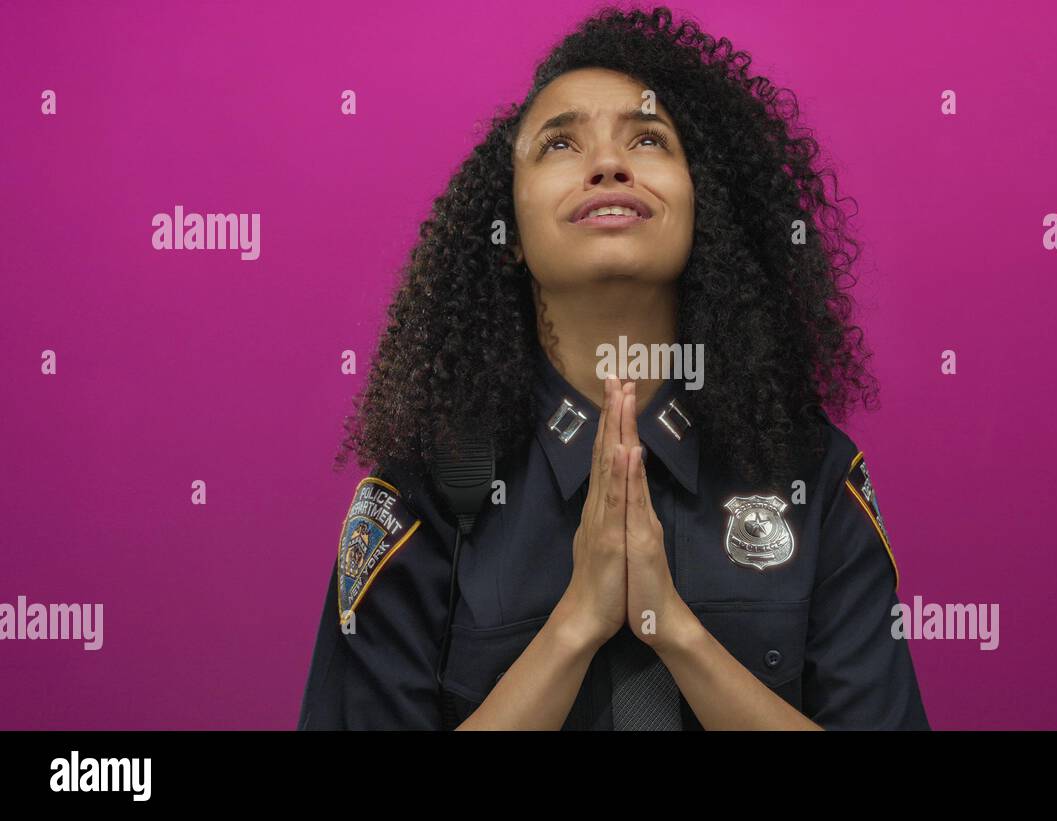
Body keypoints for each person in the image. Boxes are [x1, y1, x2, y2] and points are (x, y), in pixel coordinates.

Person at [297, 6, 929, 731]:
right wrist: (577, 623)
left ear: (705, 210)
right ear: (507, 234)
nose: (607, 163)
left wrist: (677, 632)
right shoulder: (422, 489)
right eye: (560, 142)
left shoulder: (810, 472)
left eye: (649, 137)